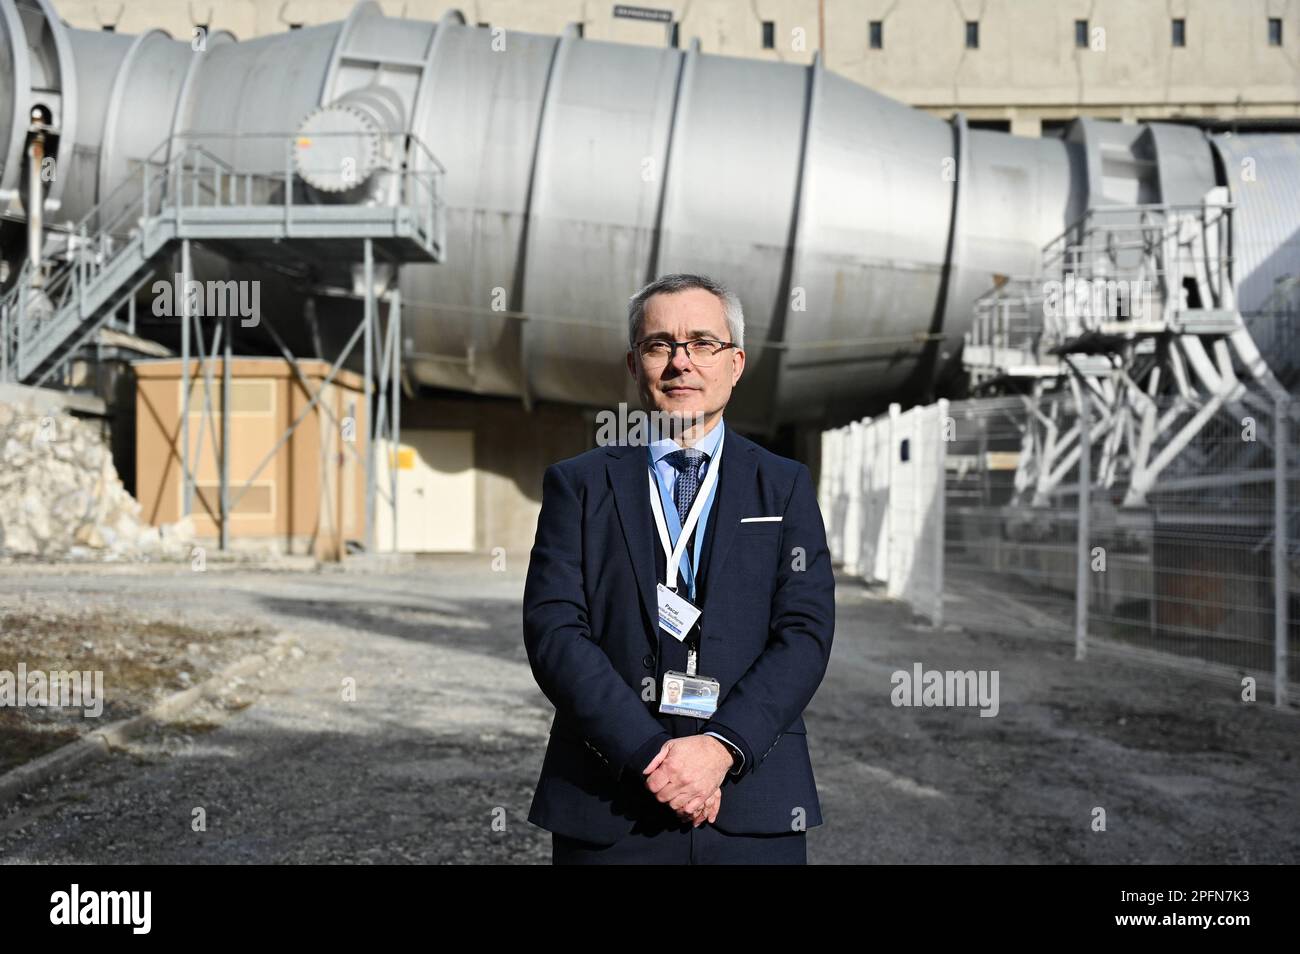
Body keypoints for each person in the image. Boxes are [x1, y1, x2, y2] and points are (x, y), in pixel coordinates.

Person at [522, 273, 835, 864]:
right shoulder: (580, 485)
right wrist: (647, 754)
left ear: (736, 363)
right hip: (609, 800)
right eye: (659, 344)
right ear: (634, 364)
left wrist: (720, 749)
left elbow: (805, 634)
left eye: (702, 343)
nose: (680, 363)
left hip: (751, 800)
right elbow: (555, 632)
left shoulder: (784, 485)